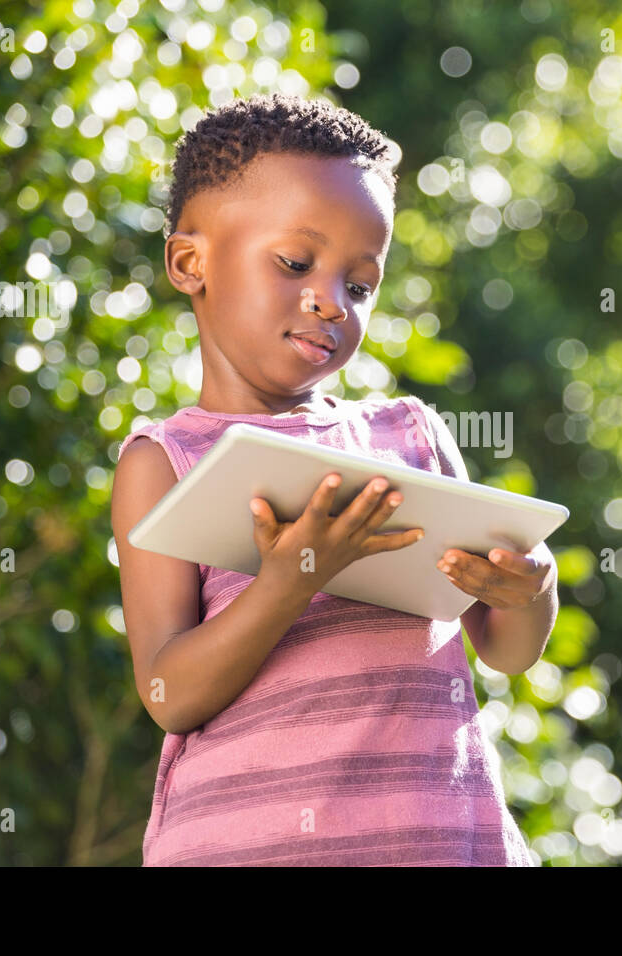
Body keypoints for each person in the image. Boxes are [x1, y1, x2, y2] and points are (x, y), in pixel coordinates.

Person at [110, 93, 559, 865]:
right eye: (295, 264)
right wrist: (291, 577)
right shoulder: (165, 462)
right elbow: (168, 692)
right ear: (191, 263)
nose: (330, 301)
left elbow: (505, 650)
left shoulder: (408, 437)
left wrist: (532, 587)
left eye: (360, 284)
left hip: (438, 845)